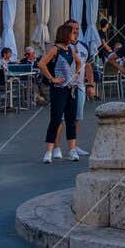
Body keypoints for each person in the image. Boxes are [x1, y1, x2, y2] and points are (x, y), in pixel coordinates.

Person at [37, 23, 85, 163]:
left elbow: (79, 62)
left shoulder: (70, 49)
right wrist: (52, 78)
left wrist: (75, 73)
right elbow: (41, 64)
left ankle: (72, 150)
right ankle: (49, 151)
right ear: (65, 34)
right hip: (58, 89)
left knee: (71, 120)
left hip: (71, 89)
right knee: (56, 119)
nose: (74, 35)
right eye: (72, 33)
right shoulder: (55, 49)